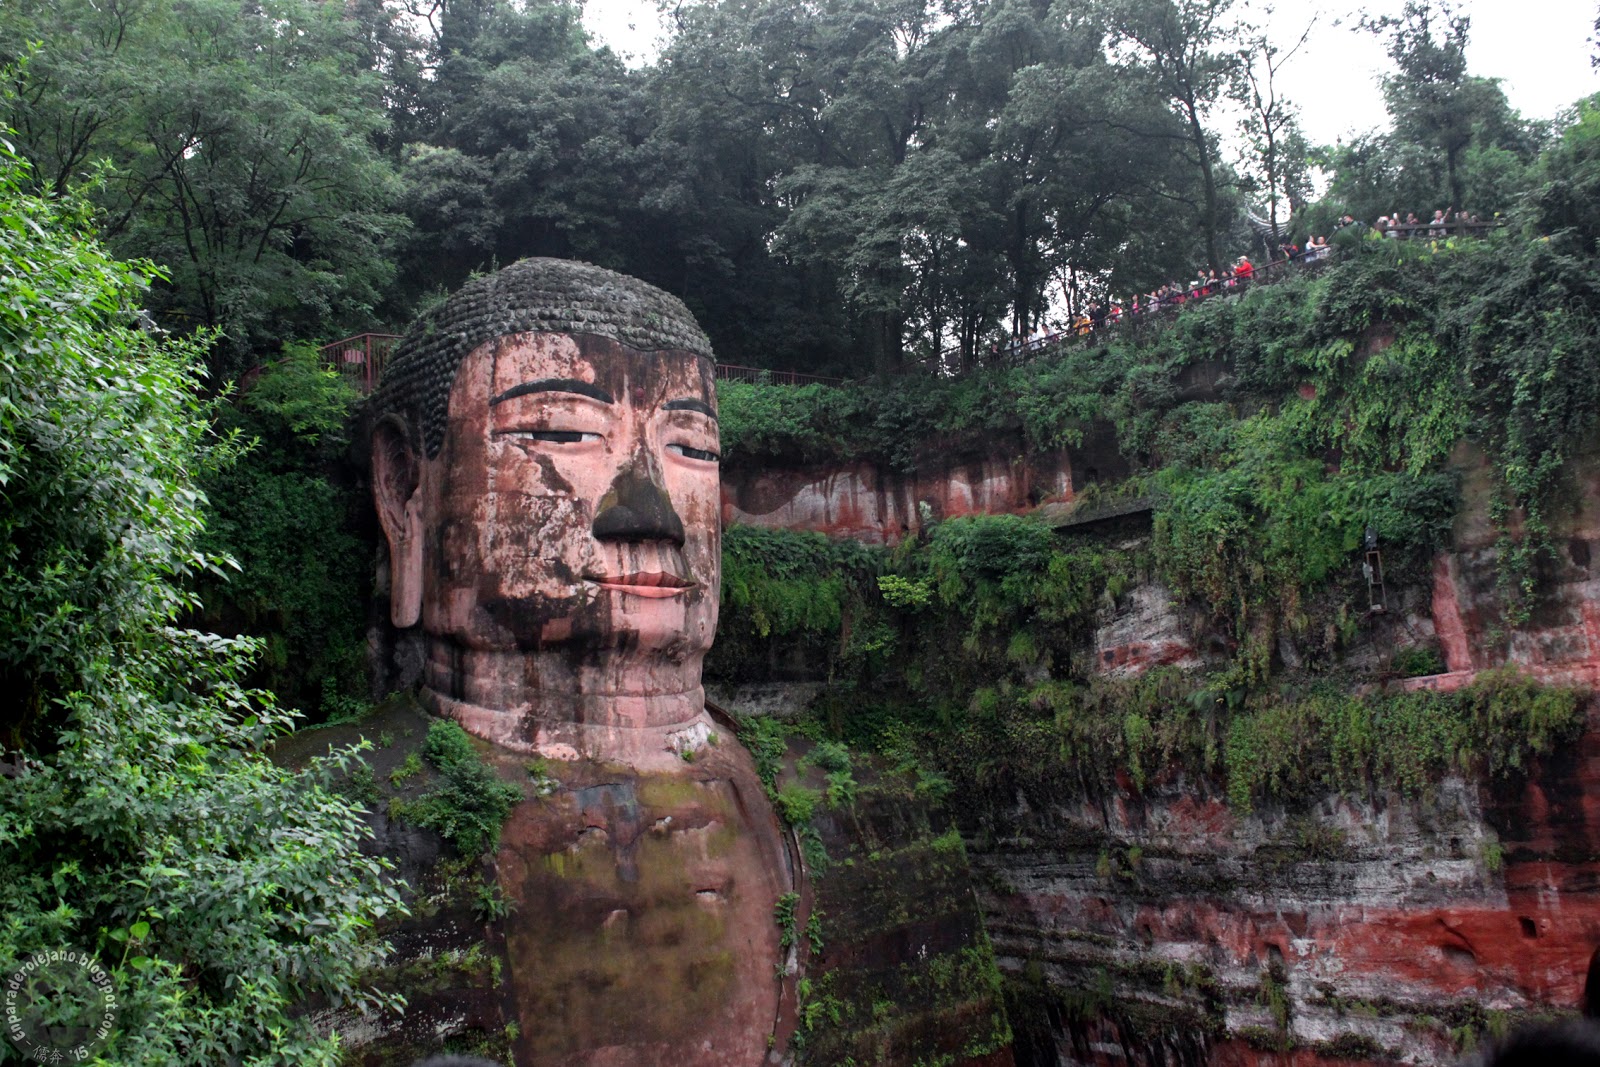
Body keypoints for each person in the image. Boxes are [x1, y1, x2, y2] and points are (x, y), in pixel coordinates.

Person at [369, 258, 794, 1064]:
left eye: (692, 447)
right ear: (403, 491)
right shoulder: (315, 841)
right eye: (562, 431)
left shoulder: (851, 806)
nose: (650, 508)